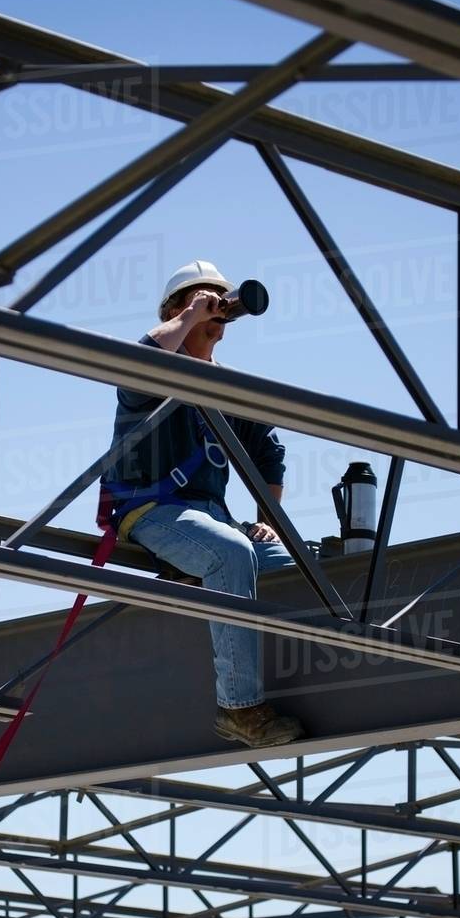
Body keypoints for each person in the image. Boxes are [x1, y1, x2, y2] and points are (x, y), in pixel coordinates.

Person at [104, 260, 305, 748]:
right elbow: (136, 368)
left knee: (303, 567)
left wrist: (269, 522)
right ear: (176, 310)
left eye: (219, 301)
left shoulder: (226, 387)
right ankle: (239, 708)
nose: (215, 308)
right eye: (201, 299)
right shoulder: (153, 369)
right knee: (230, 555)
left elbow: (268, 451)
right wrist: (190, 315)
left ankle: (316, 678)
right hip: (154, 511)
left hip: (213, 518)